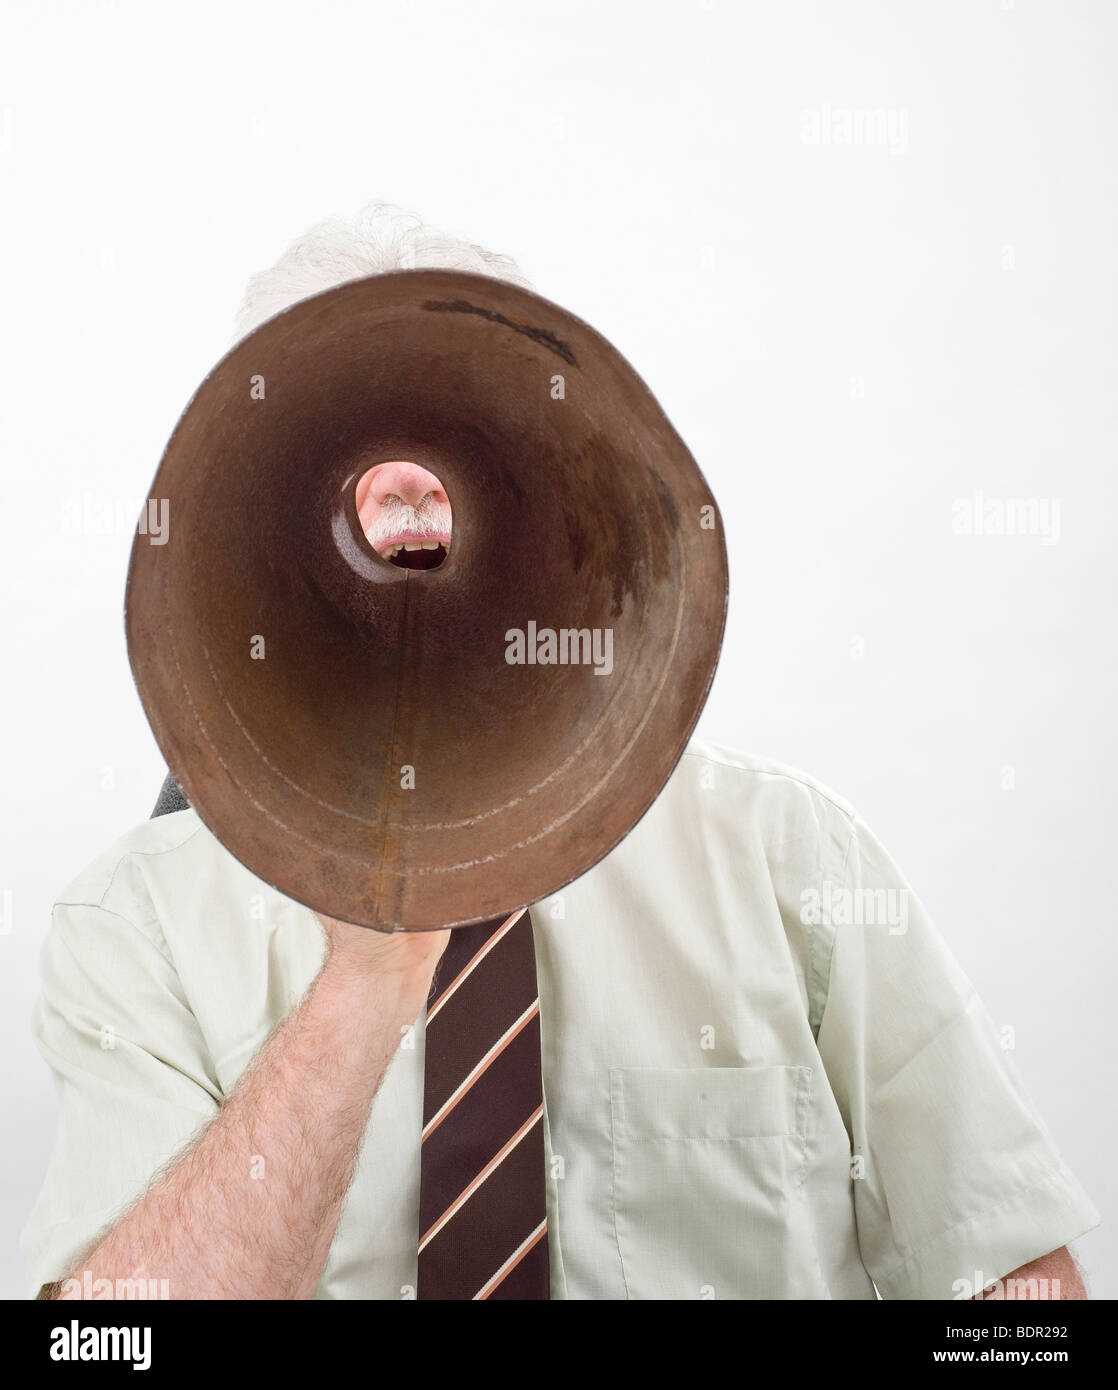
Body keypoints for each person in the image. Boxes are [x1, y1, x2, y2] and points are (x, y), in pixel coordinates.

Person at [22, 203, 1099, 1301]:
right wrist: (367, 975)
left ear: (557, 496)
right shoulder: (135, 923)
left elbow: (1019, 1293)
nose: (409, 492)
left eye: (454, 448)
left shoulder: (788, 857)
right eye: (356, 457)